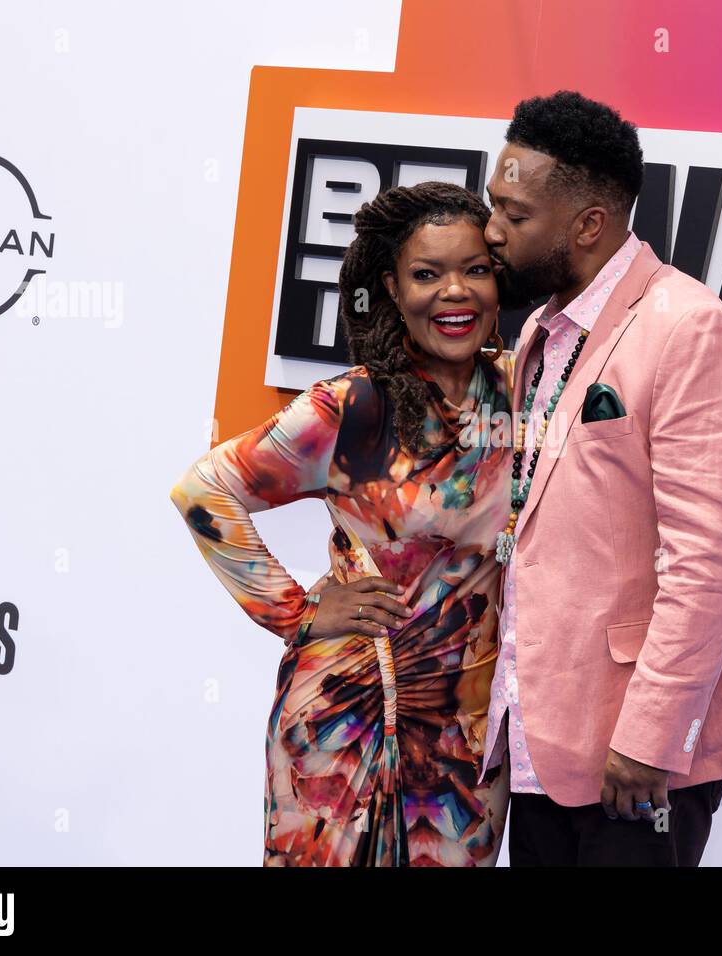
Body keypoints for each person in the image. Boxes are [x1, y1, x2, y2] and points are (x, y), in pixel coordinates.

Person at [479, 90, 722, 866]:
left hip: (636, 754)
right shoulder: (539, 329)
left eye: (515, 216)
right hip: (546, 736)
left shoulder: (687, 327)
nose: (491, 232)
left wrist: (653, 736)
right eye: (493, 205)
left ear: (588, 224)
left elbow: (710, 561)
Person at [170, 181, 514, 866]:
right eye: (427, 274)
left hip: (466, 730)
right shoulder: (355, 405)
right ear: (390, 286)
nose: (455, 292)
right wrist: (296, 612)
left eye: (475, 269)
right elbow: (204, 491)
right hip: (347, 712)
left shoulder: (517, 388)